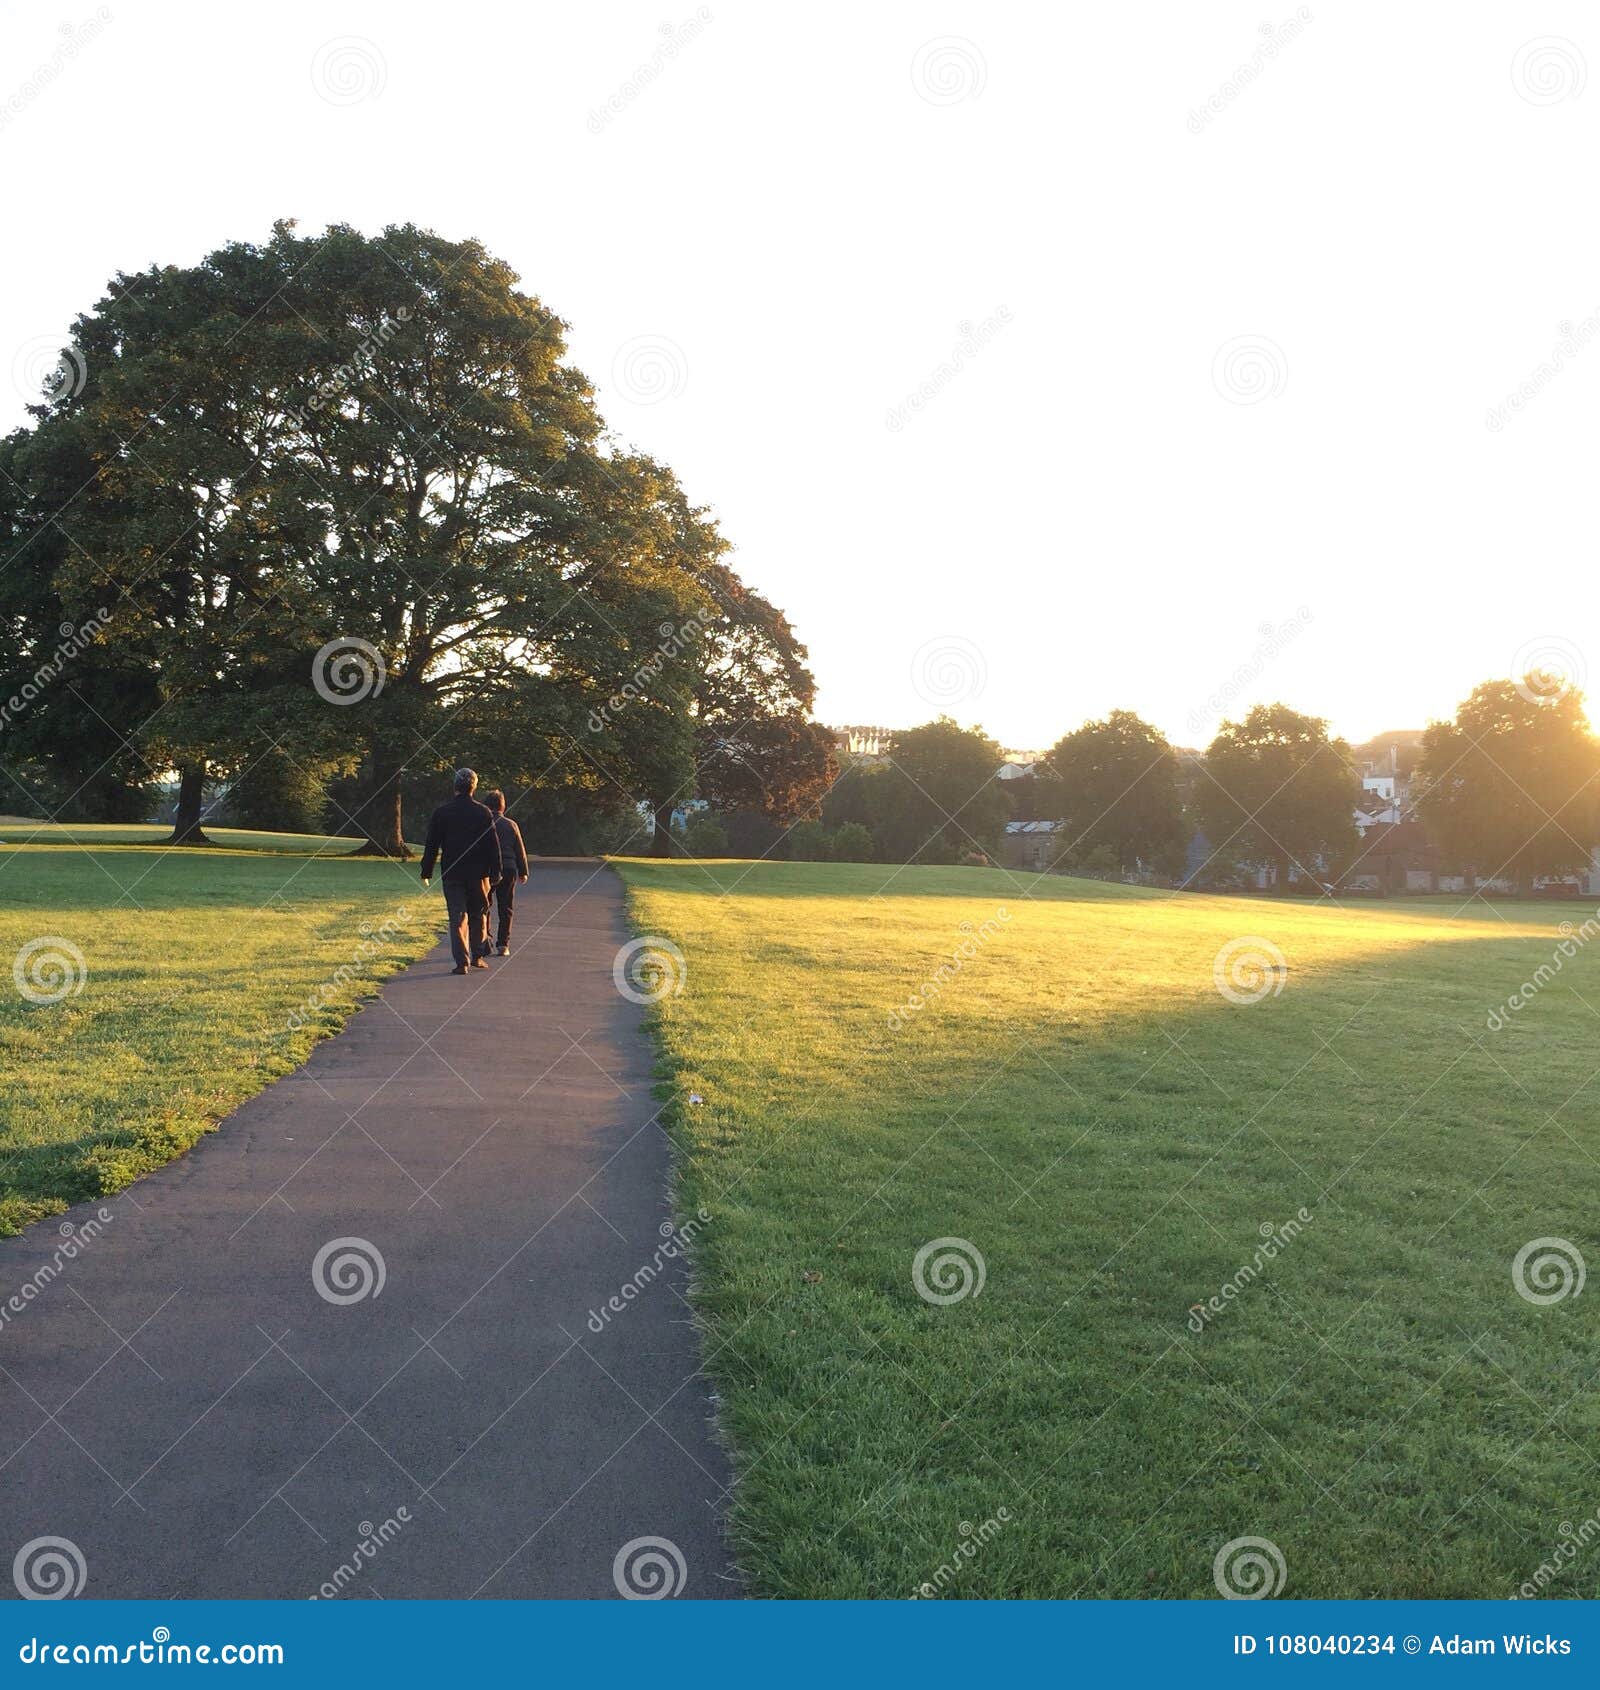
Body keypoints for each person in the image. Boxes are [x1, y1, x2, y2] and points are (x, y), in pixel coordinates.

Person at [420, 769, 503, 974]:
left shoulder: (442, 813)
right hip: (478, 874)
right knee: (478, 914)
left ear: (455, 787)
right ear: (473, 787)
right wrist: (496, 871)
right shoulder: (483, 812)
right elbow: (493, 845)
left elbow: (432, 844)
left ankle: (461, 962)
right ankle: (477, 956)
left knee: (457, 917)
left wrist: (426, 870)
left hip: (453, 872)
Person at [482, 789, 529, 956]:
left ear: (486, 805)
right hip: (508, 868)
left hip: (487, 869)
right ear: (503, 806)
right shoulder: (511, 824)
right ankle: (503, 944)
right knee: (506, 907)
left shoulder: (482, 823)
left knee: (484, 905)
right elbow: (519, 849)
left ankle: (484, 940)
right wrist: (523, 871)